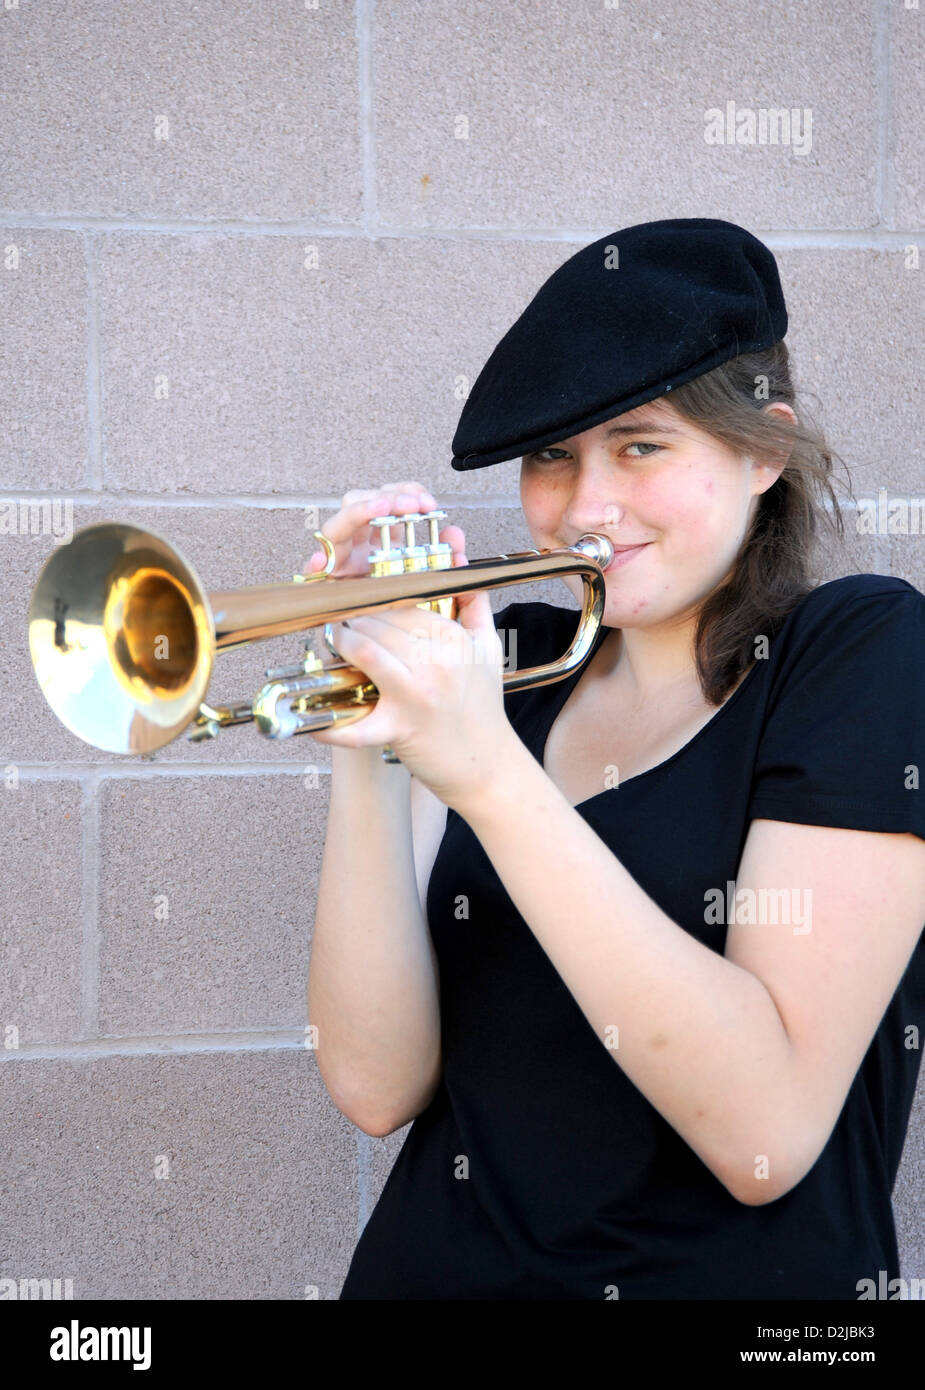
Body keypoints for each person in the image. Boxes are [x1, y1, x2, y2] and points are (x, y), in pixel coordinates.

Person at [306, 218, 925, 1300]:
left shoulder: (859, 653)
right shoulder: (502, 666)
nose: (587, 508)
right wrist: (371, 745)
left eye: (641, 445)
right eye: (554, 455)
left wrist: (487, 775)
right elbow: (373, 1081)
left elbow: (761, 1129)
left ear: (763, 449)